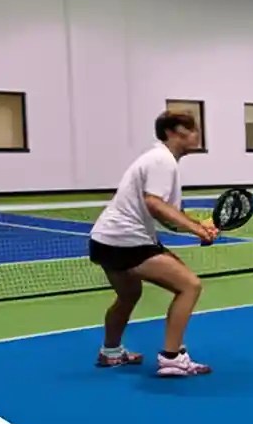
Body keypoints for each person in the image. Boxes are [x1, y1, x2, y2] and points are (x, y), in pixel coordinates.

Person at [87, 110, 217, 377]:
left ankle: (110, 352)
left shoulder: (159, 160)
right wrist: (196, 229)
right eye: (191, 130)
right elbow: (154, 203)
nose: (196, 135)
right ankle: (172, 358)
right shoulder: (162, 160)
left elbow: (166, 216)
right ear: (173, 132)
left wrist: (198, 226)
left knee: (129, 295)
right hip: (127, 242)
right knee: (189, 286)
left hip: (104, 241)